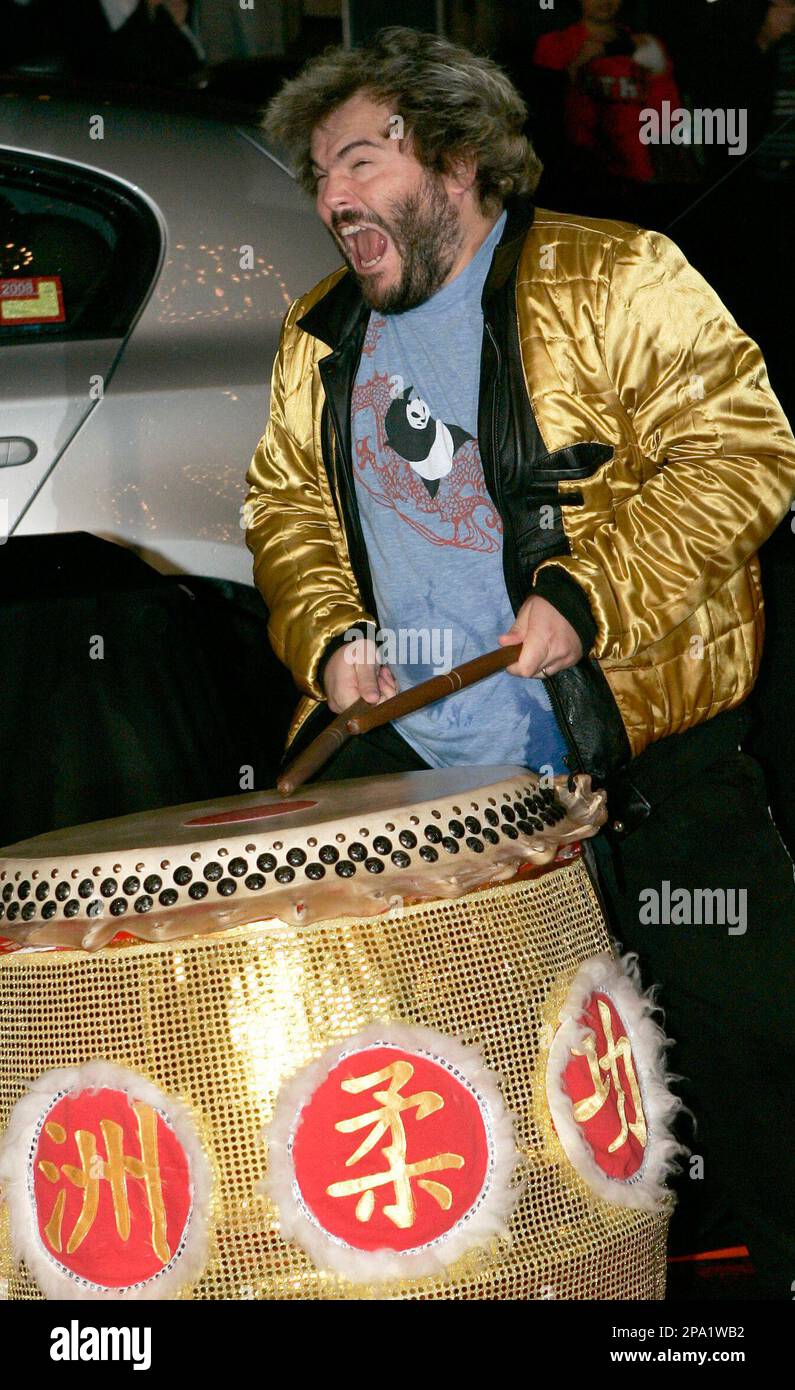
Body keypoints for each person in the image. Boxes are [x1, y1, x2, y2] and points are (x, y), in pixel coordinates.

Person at [245, 26, 795, 1297]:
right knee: (491, 1111)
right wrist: (330, 641)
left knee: (756, 1069)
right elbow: (287, 510)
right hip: (434, 808)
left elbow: (743, 451)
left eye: (361, 160)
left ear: (456, 158)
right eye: (321, 175)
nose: (332, 198)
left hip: (646, 768)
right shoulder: (321, 337)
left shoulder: (616, 279)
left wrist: (586, 593)